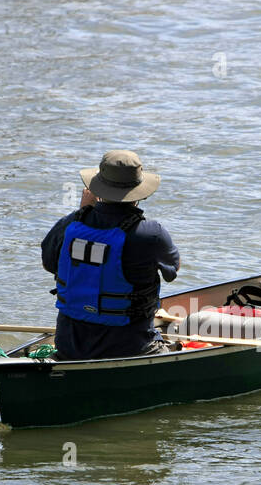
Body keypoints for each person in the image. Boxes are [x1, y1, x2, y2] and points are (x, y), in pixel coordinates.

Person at [41, 150, 179, 360]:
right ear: (140, 192)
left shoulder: (69, 225)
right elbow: (172, 270)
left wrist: (82, 212)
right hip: (131, 347)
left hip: (69, 345)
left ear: (96, 189)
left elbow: (49, 263)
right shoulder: (151, 233)